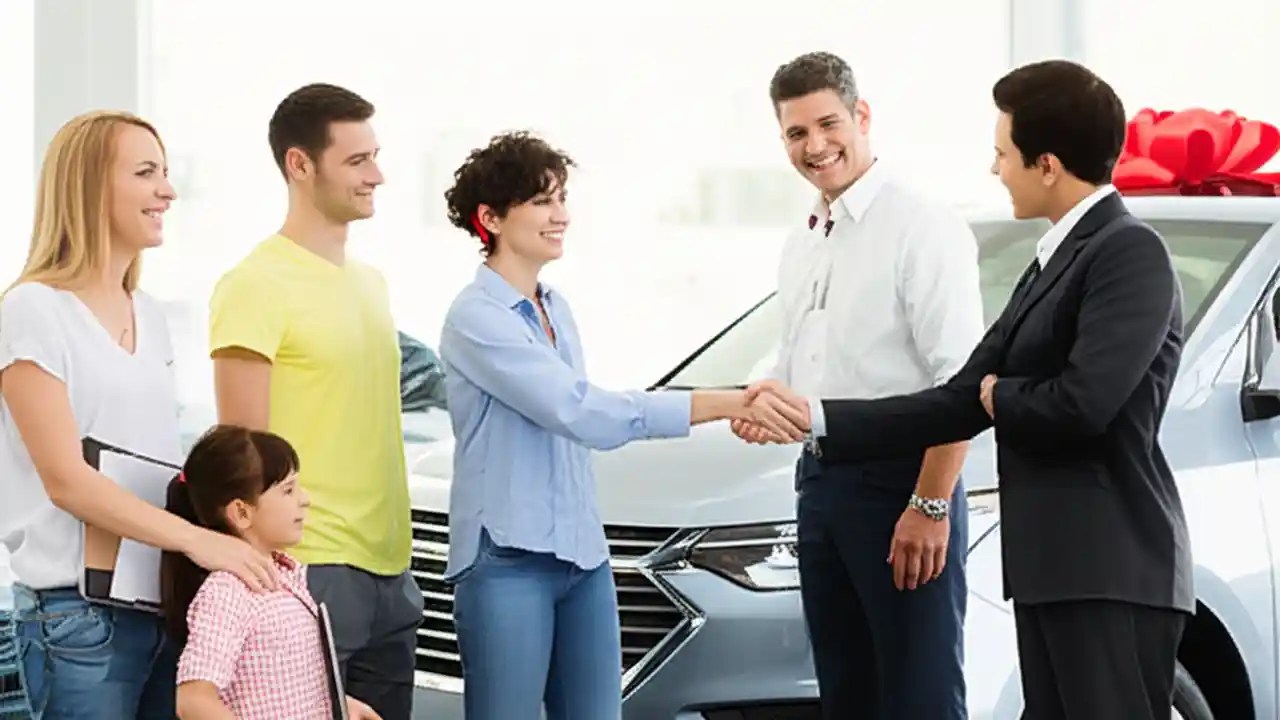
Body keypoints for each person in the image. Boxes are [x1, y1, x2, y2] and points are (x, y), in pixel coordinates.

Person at [749, 59, 1193, 720]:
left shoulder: (1130, 251)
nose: (994, 170)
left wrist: (994, 401)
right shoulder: (1053, 259)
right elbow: (954, 397)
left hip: (1110, 563)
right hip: (1052, 564)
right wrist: (814, 418)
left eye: (1002, 154)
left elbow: (1082, 405)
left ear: (1046, 163)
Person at [438, 130, 806, 720]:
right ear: (491, 218)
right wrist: (728, 401)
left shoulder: (555, 307)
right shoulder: (476, 317)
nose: (560, 216)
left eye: (561, 199)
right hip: (508, 559)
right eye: (541, 201)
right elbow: (582, 412)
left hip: (583, 557)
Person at [0, 110, 278, 719]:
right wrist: (204, 543)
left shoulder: (149, 314)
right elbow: (67, 480)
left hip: (159, 601)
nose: (168, 191)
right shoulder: (32, 312)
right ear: (90, 186)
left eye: (167, 173)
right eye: (146, 172)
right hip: (77, 619)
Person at [735, 52, 985, 719]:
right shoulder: (804, 238)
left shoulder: (922, 226)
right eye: (795, 133)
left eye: (827, 124)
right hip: (820, 486)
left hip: (902, 485)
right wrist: (760, 402)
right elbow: (801, 362)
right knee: (847, 697)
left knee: (919, 696)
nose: (814, 146)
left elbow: (959, 385)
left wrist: (929, 506)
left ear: (861, 115)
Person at [206, 83, 421, 719]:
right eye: (357, 161)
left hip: (392, 570)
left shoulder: (372, 285)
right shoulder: (254, 284)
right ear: (300, 165)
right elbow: (240, 451)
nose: (376, 175)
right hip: (309, 566)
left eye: (375, 156)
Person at [164, 424, 380, 720]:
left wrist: (339, 705)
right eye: (288, 490)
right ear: (242, 513)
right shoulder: (227, 591)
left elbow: (284, 679)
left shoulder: (287, 577)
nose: (305, 499)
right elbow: (193, 701)